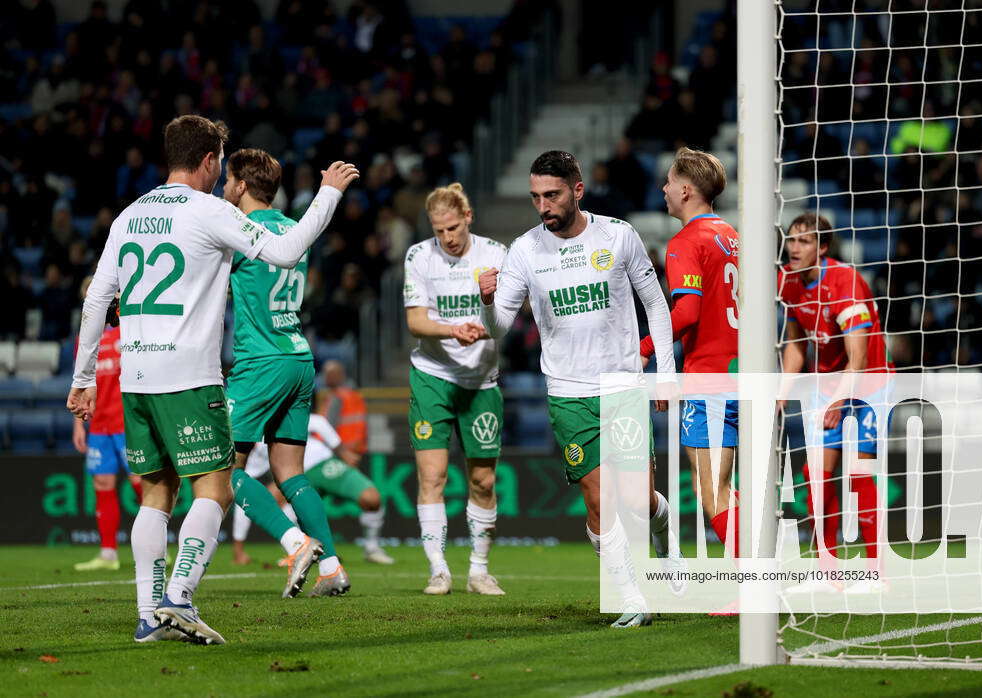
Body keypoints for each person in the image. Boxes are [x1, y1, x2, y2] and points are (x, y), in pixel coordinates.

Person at [67, 115, 357, 645]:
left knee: (156, 491)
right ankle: (179, 596)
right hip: (189, 375)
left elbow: (96, 300)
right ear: (207, 160)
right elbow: (287, 251)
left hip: (135, 376)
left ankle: (147, 614)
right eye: (219, 162)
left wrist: (84, 376)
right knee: (217, 486)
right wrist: (328, 194)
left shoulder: (129, 214)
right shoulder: (211, 211)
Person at [479, 151, 682, 628]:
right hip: (568, 393)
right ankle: (631, 597)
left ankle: (664, 534)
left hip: (623, 385)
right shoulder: (526, 250)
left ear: (577, 189)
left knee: (638, 500)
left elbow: (655, 304)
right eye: (535, 197)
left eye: (551, 195)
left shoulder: (618, 235)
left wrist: (666, 373)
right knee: (598, 500)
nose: (543, 206)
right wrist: (486, 302)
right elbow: (498, 328)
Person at [222, 147, 351, 599]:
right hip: (298, 356)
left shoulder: (240, 231)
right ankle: (332, 567)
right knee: (289, 471)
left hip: (261, 362)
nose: (222, 187)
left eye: (227, 180)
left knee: (222, 469)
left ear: (240, 185)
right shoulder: (294, 229)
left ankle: (295, 543)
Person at [779, 212, 893, 595]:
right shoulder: (789, 283)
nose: (795, 248)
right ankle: (827, 575)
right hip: (826, 385)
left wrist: (839, 402)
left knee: (859, 475)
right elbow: (796, 347)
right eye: (791, 240)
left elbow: (858, 358)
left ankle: (877, 574)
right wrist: (779, 395)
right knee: (815, 479)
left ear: (823, 247)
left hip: (869, 385)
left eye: (805, 241)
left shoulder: (844, 282)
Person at [403, 183, 508, 596]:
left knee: (482, 481)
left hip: (481, 379)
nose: (446, 237)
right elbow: (415, 321)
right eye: (438, 229)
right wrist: (452, 329)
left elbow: (508, 315)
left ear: (468, 218)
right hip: (432, 376)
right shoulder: (418, 255)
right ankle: (438, 570)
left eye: (452, 228)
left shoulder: (495, 254)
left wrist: (485, 315)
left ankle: (479, 571)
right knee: (433, 476)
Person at [638, 147, 740, 558]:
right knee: (722, 486)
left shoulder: (685, 242)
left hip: (710, 377)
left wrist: (644, 346)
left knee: (710, 490)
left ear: (685, 189)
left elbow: (687, 311)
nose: (662, 189)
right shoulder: (732, 236)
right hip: (743, 370)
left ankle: (754, 589)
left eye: (668, 181)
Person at [236, 393, 394, 565]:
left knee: (371, 498)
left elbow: (318, 422)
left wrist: (342, 451)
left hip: (322, 464)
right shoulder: (253, 450)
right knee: (267, 501)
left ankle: (371, 548)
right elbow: (244, 491)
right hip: (294, 477)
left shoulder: (281, 419)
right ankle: (300, 551)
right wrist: (238, 548)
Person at [73, 283, 144, 572]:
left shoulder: (128, 330)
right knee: (102, 484)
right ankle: (108, 553)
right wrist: (79, 424)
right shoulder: (84, 340)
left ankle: (156, 547)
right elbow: (81, 381)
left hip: (127, 422)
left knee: (142, 484)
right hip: (98, 424)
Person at [319, 359, 367, 460]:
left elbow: (328, 427)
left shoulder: (337, 397)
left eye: (329, 374)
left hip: (340, 451)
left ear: (340, 375)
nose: (326, 377)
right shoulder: (354, 395)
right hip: (354, 449)